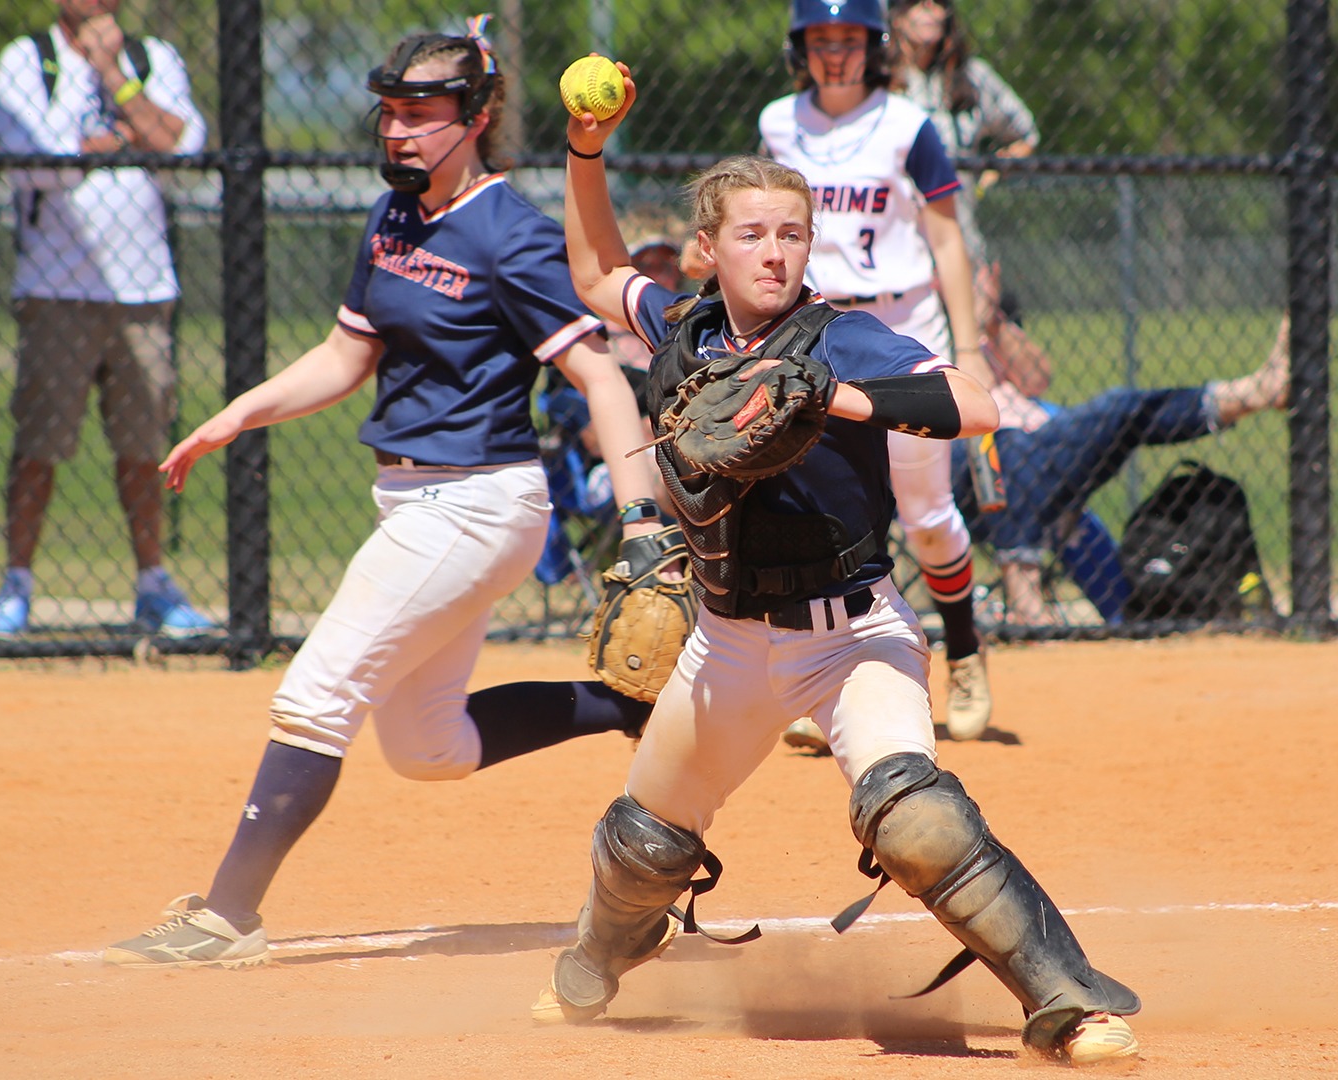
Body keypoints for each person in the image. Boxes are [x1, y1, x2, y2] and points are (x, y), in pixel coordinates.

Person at [533, 64, 1143, 1067]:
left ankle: (1071, 1003)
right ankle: (603, 955)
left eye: (791, 234)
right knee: (645, 840)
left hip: (853, 635)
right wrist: (584, 149)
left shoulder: (843, 338)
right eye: (751, 234)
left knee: (916, 821)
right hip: (728, 641)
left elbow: (975, 401)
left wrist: (835, 400)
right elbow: (597, 272)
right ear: (710, 248)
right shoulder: (681, 333)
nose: (773, 253)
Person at [102, 21, 663, 969]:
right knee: (426, 747)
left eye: (421, 113)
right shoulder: (393, 217)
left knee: (317, 694)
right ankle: (634, 709)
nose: (398, 132)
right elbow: (345, 354)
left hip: (479, 502)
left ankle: (226, 916)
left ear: (475, 117)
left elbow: (602, 379)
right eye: (390, 113)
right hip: (414, 504)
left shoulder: (512, 235)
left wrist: (642, 521)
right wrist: (238, 413)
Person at [759, 0, 1001, 744]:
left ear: (874, 45)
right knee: (816, 511)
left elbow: (947, 239)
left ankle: (962, 650)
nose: (836, 53)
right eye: (822, 39)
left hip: (900, 328)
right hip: (814, 330)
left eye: (850, 39)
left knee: (927, 517)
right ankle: (823, 678)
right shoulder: (777, 123)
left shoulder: (907, 125)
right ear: (803, 46)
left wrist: (968, 345)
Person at [0, 0, 213, 638]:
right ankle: (16, 585)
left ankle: (153, 585)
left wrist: (115, 75)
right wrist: (110, 136)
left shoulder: (148, 58)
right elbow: (33, 161)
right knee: (40, 446)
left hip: (144, 290)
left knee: (144, 449)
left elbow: (183, 147)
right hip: (55, 289)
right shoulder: (29, 60)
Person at [958, 288, 1291, 626]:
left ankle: (1256, 391)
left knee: (1123, 409)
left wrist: (990, 322)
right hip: (970, 457)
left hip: (1044, 442)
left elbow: (1036, 379)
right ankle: (1028, 607)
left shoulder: (975, 316)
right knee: (1014, 451)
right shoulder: (921, 326)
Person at [888, 0, 1039, 265]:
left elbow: (1026, 134)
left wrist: (993, 169)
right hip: (894, 243)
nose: (929, 8)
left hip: (959, 237)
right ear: (897, 16)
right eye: (917, 2)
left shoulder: (971, 76)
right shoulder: (878, 80)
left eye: (938, 3)